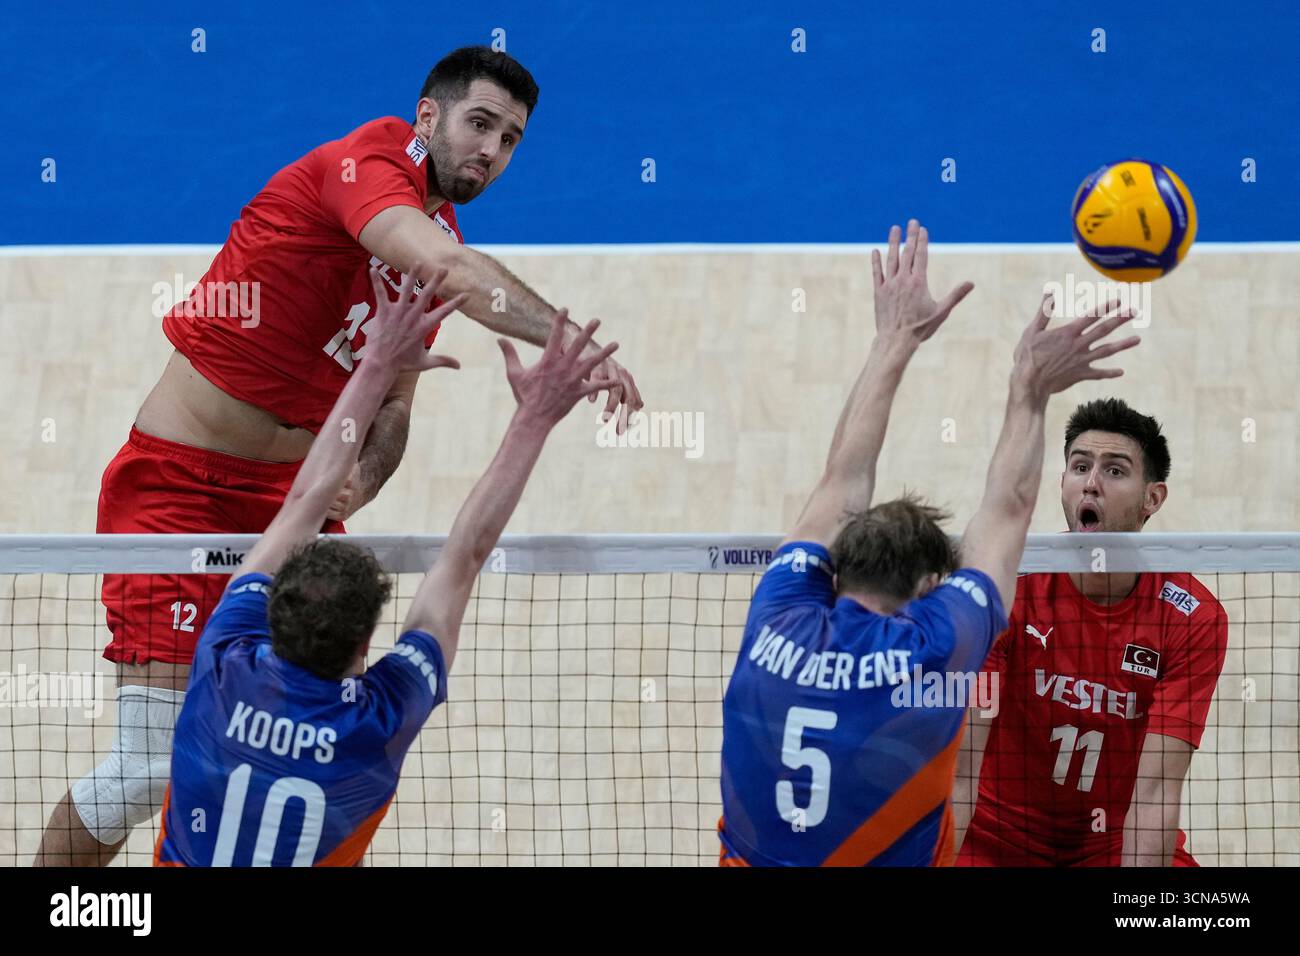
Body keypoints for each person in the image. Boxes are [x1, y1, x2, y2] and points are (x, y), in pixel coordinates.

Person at [36, 45, 641, 866]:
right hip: (181, 491)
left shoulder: (444, 239)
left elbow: (394, 406)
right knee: (147, 769)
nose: (492, 151)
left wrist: (364, 475)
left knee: (309, 731)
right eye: (480, 124)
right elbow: (447, 272)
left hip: (298, 505)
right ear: (428, 118)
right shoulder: (368, 165)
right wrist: (572, 345)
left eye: (511, 139)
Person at [154, 264, 616, 866]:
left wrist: (375, 363)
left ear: (272, 610)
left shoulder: (224, 661)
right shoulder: (376, 721)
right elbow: (463, 554)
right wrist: (532, 418)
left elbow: (307, 502)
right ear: (365, 641)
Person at [717, 220, 1141, 866]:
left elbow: (841, 481)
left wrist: (894, 339)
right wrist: (1030, 387)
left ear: (832, 569)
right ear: (926, 591)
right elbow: (1009, 509)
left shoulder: (777, 614)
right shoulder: (937, 646)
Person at [954, 398, 1229, 867]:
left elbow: (1156, 794)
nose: (1092, 483)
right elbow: (961, 773)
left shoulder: (1191, 617)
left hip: (1110, 842)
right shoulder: (1009, 588)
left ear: (1153, 498)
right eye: (1080, 467)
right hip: (994, 833)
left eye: (1115, 471)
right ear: (1063, 483)